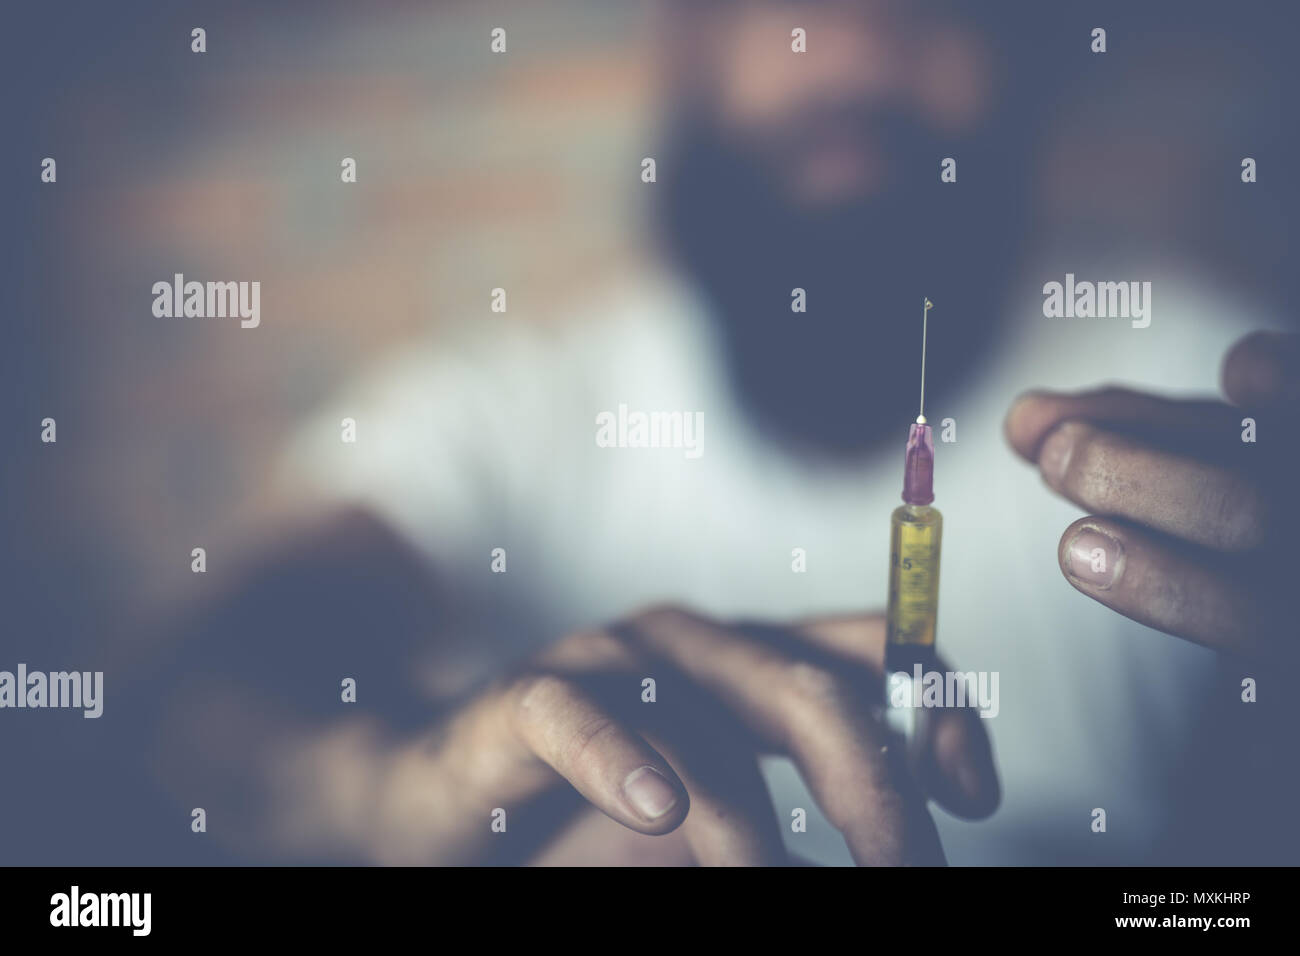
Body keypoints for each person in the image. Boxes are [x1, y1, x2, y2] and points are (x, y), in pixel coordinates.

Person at [153, 0, 1299, 865]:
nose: (855, 45)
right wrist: (376, 791)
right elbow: (194, 707)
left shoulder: (1219, 385)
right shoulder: (495, 417)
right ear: (688, 45)